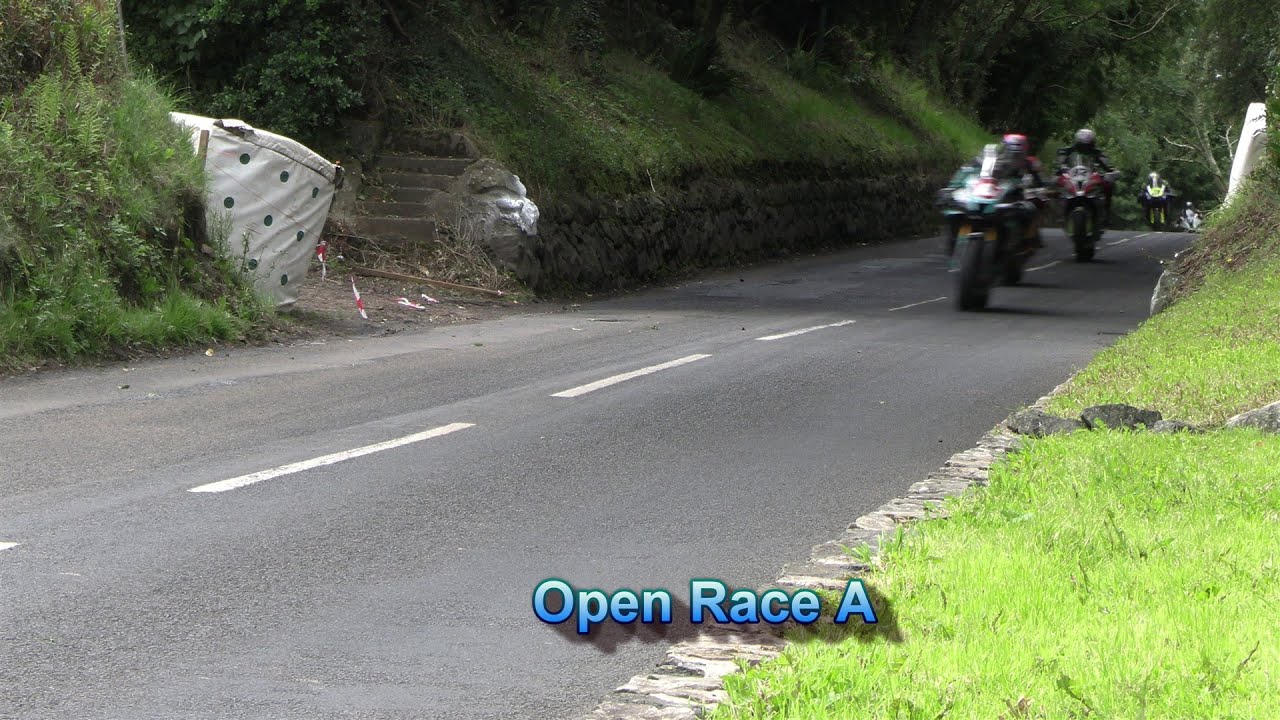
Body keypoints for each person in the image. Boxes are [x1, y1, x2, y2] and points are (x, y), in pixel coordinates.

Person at [1056, 128, 1115, 224]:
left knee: (1108, 184)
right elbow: (1060, 161)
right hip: (1073, 176)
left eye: (1087, 146)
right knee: (1058, 182)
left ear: (1092, 144)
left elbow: (1106, 165)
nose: (1084, 148)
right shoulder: (1068, 151)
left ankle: (1106, 213)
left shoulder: (1097, 153)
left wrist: (1111, 171)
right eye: (1081, 146)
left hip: (1091, 176)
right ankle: (1060, 212)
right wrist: (1060, 169)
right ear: (1077, 143)